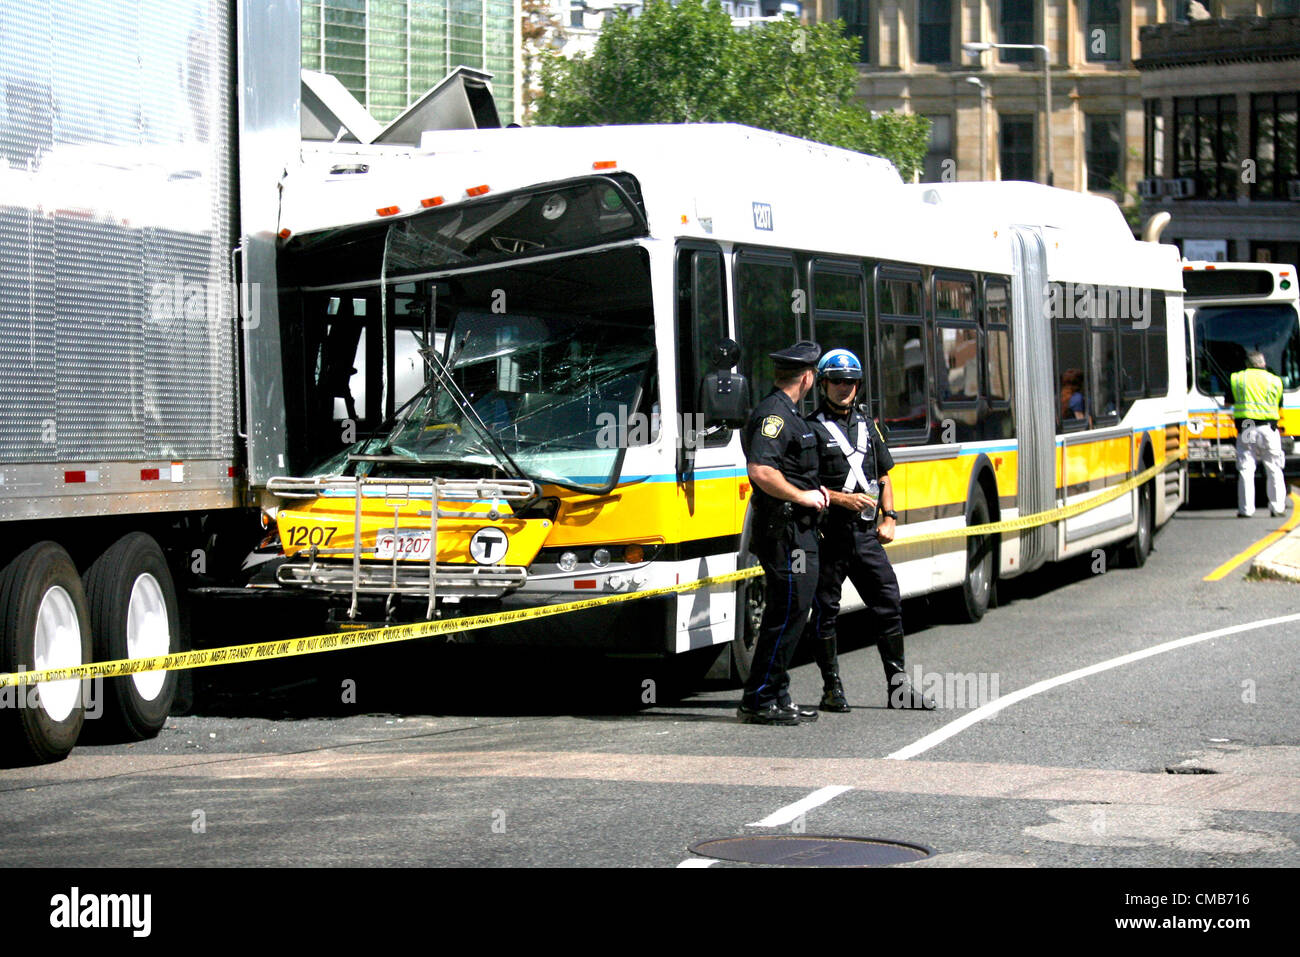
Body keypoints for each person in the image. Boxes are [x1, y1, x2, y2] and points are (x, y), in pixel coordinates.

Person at [808, 348, 935, 711]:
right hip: (829, 536)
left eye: (850, 382)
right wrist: (839, 500)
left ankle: (898, 688)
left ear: (858, 385)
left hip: (865, 536)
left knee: (888, 602)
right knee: (826, 611)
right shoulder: (811, 429)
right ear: (823, 384)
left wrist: (890, 517)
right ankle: (832, 689)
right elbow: (805, 486)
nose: (843, 387)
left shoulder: (867, 425)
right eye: (836, 381)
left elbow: (884, 475)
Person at [738, 340, 829, 725]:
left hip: (798, 529)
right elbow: (761, 470)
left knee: (793, 611)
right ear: (807, 378)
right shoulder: (774, 416)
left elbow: (790, 469)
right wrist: (802, 496)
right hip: (784, 530)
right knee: (789, 611)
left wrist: (816, 492)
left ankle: (777, 693)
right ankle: (758, 699)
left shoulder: (789, 413)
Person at [1227, 351, 1286, 518]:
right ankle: (1277, 508)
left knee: (1246, 468)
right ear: (1263, 363)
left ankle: (1246, 510)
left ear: (1247, 364)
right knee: (1274, 468)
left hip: (1246, 426)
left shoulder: (1238, 378)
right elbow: (1279, 405)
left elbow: (1227, 402)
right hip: (1268, 428)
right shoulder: (1275, 381)